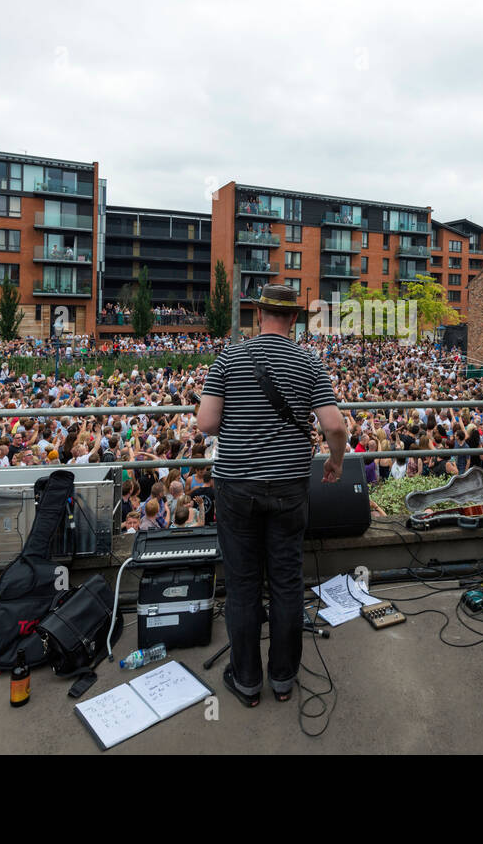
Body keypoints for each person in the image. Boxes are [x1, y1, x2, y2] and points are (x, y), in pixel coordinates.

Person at [197, 283, 347, 707]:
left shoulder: (229, 357)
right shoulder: (308, 361)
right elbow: (335, 426)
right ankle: (283, 679)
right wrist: (335, 462)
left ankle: (246, 682)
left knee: (242, 587)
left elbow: (206, 424)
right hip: (288, 488)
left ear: (257, 314)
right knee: (286, 584)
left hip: (237, 487)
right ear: (295, 319)